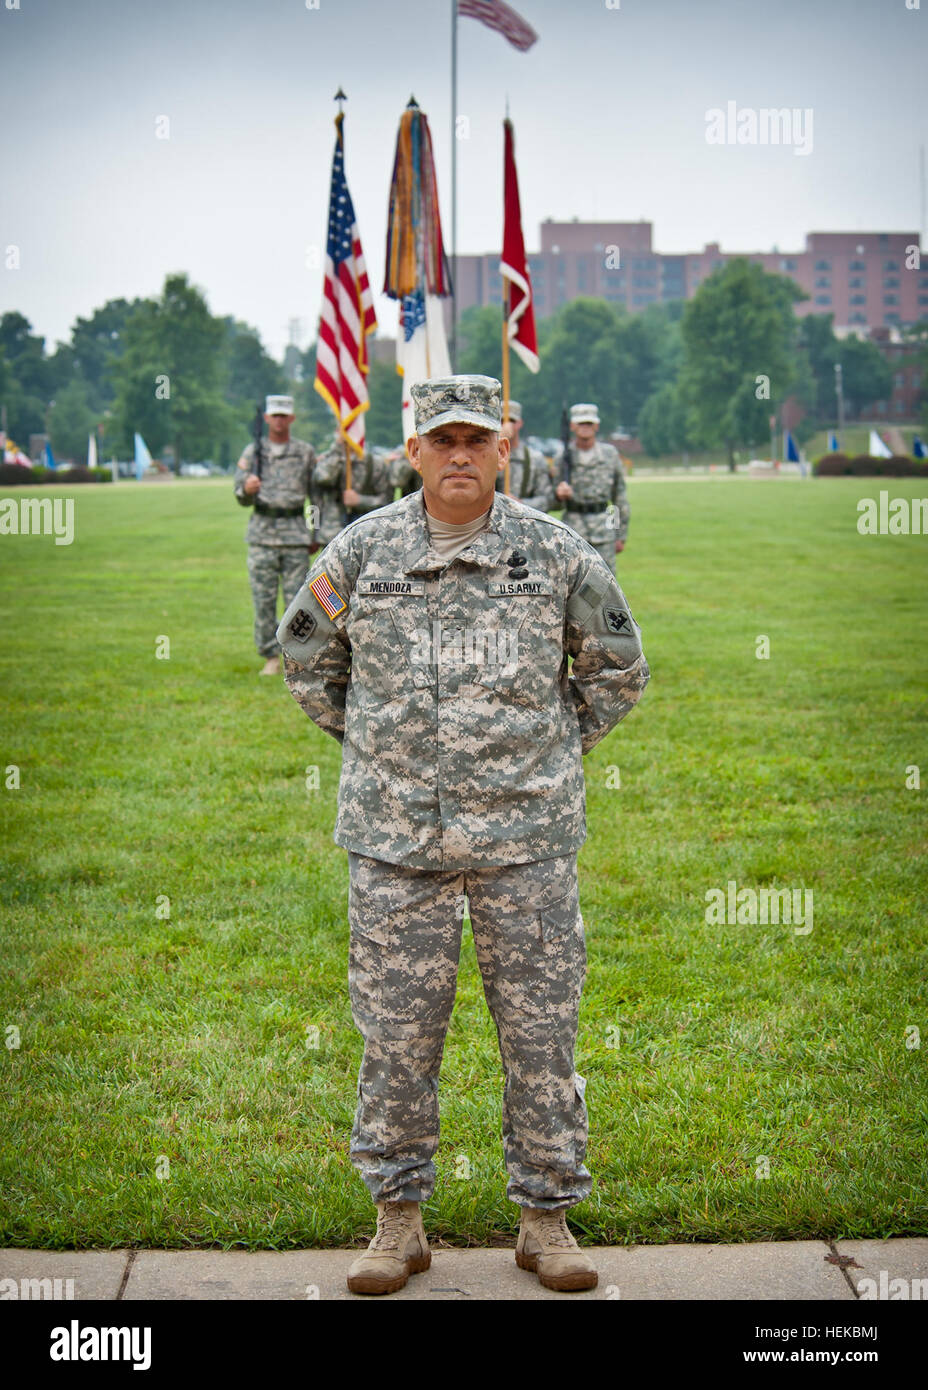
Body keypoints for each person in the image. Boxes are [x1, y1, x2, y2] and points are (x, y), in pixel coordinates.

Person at [277, 374, 649, 1296]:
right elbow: (304, 657)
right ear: (413, 452)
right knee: (396, 1040)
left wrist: (548, 754)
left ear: (503, 449)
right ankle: (396, 1222)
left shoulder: (555, 553)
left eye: (475, 441)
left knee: (541, 1038)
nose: (458, 456)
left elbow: (619, 669)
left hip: (526, 842)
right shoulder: (362, 552)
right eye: (441, 440)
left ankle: (546, 1220)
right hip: (396, 845)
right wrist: (382, 749)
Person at [234, 394, 316, 676]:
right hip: (262, 534)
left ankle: (294, 654)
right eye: (274, 416)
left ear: (291, 418)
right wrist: (247, 489)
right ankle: (270, 654)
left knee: (298, 601)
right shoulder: (252, 453)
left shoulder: (305, 453)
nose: (279, 420)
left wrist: (315, 531)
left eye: (284, 415)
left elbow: (315, 497)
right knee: (263, 599)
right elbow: (239, 495)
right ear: (267, 418)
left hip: (294, 533)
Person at [554, 403, 630, 570]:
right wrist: (559, 494)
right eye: (581, 423)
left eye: (589, 423)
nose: (585, 428)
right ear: (573, 426)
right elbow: (552, 497)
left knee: (606, 583)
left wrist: (618, 534)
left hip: (603, 529)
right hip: (573, 528)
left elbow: (618, 497)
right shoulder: (564, 457)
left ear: (596, 425)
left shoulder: (609, 454)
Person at [312, 432, 395, 547]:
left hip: (368, 536)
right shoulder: (327, 460)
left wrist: (360, 500)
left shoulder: (375, 463)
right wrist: (337, 450)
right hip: (332, 536)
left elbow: (388, 502)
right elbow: (322, 479)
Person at [496, 400, 554, 512]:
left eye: (511, 421)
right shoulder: (487, 457)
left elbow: (547, 500)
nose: (506, 425)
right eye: (501, 421)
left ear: (520, 423)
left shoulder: (535, 459)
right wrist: (498, 442)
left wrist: (520, 504)